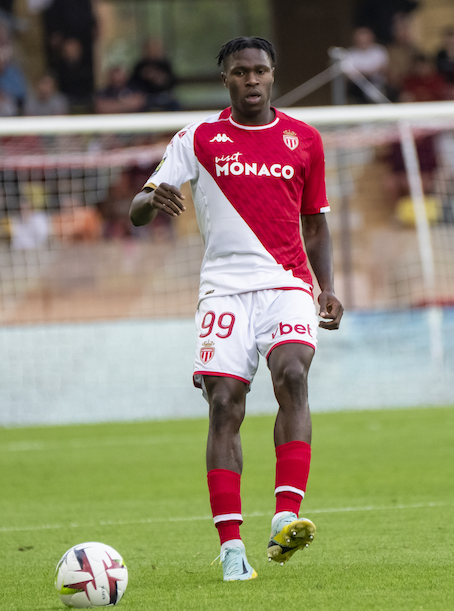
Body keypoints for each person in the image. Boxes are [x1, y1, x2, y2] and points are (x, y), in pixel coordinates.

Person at [129, 37, 342, 582]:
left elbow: (315, 224)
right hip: (223, 289)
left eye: (261, 71)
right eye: (241, 72)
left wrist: (327, 286)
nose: (252, 80)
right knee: (225, 403)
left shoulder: (305, 140)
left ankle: (285, 517)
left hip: (286, 283)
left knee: (292, 374)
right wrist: (151, 200)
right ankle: (230, 548)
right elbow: (137, 207)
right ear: (225, 79)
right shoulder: (198, 139)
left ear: (273, 76)